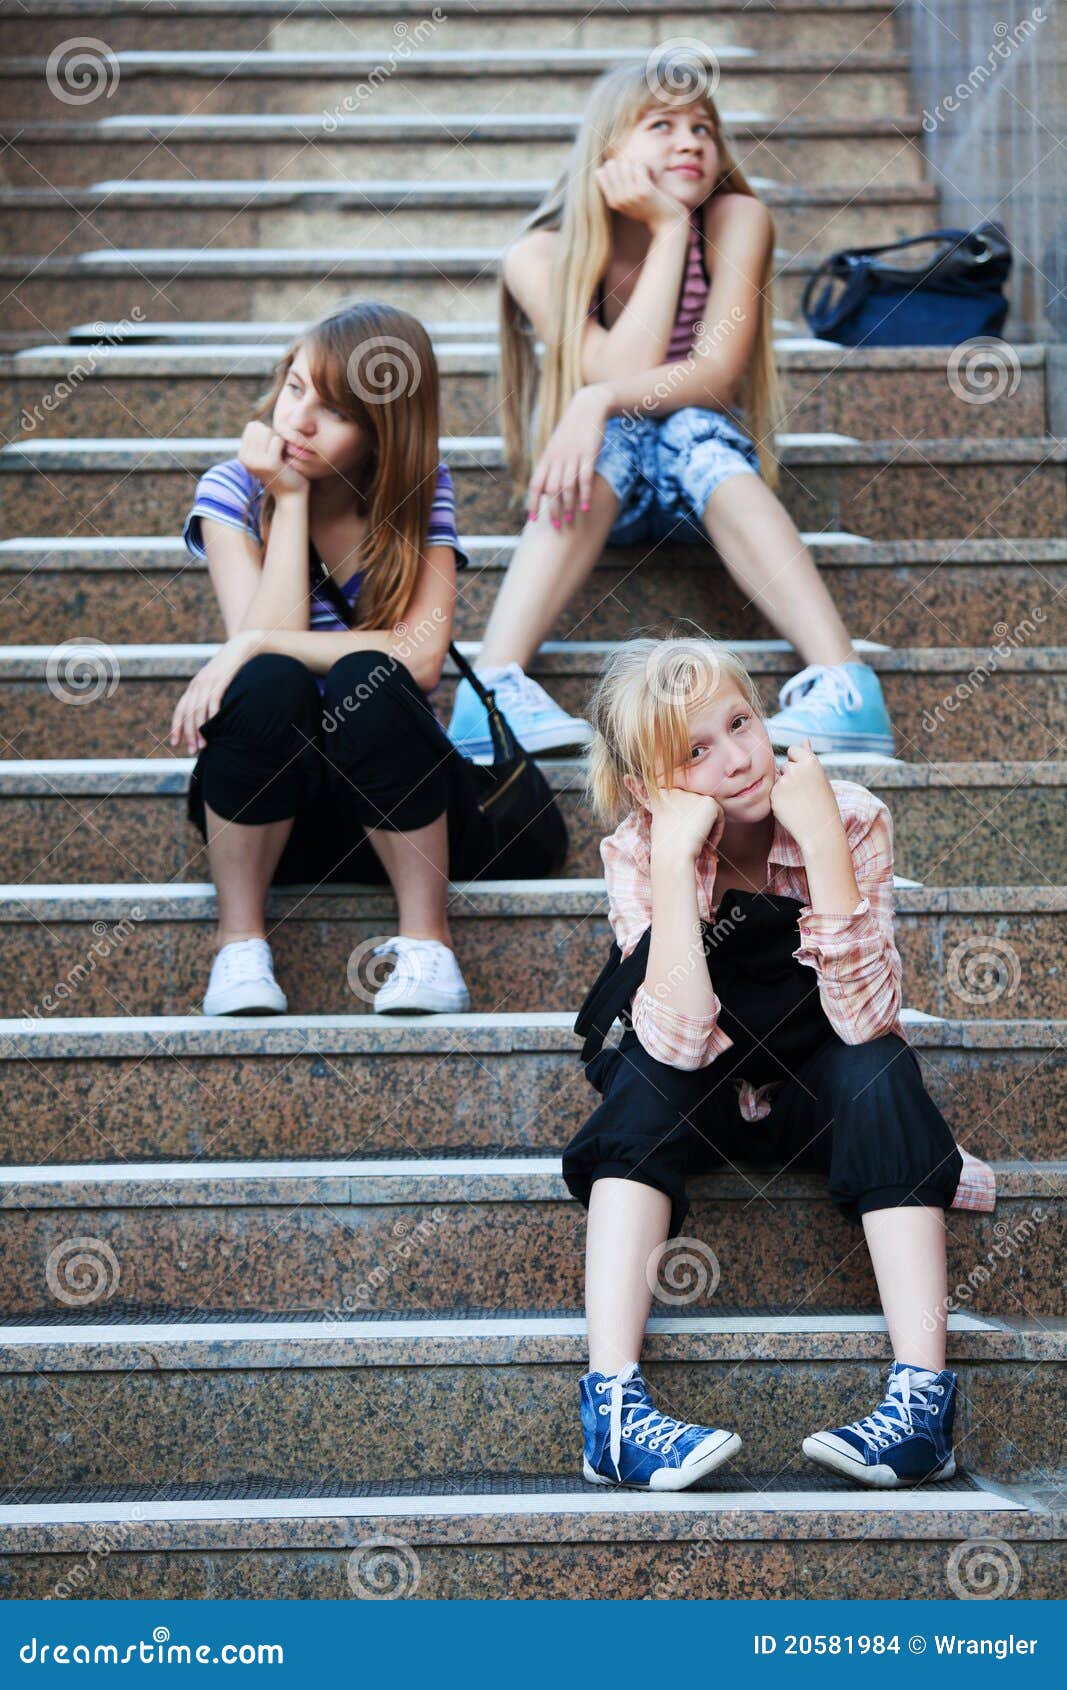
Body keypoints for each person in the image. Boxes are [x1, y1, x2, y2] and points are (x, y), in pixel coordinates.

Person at [562, 635, 995, 1491]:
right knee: (639, 1087)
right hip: (705, 1090)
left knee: (880, 1072)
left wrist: (823, 847)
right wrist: (681, 863)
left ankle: (920, 1407)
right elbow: (676, 1040)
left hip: (818, 1089)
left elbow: (867, 1020)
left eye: (740, 723)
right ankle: (611, 1410)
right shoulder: (637, 851)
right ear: (650, 786)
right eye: (694, 750)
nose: (735, 759)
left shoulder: (853, 814)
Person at [447, 50, 895, 763]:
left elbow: (715, 375)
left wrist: (596, 393)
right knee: (619, 431)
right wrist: (664, 233)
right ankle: (491, 691)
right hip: (596, 491)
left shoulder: (736, 218)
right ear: (607, 149)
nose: (689, 141)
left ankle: (845, 687)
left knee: (688, 426)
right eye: (660, 124)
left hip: (706, 486)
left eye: (702, 128)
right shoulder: (541, 254)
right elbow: (623, 372)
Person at [174, 300, 560, 1018]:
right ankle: (239, 945)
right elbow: (264, 647)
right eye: (295, 389)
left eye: (335, 411)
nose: (299, 421)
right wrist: (287, 502)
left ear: (383, 429)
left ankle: (428, 946)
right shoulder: (232, 488)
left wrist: (255, 642)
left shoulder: (416, 492)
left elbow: (419, 659)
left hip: (396, 806)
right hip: (274, 817)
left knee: (364, 676)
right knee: (269, 682)